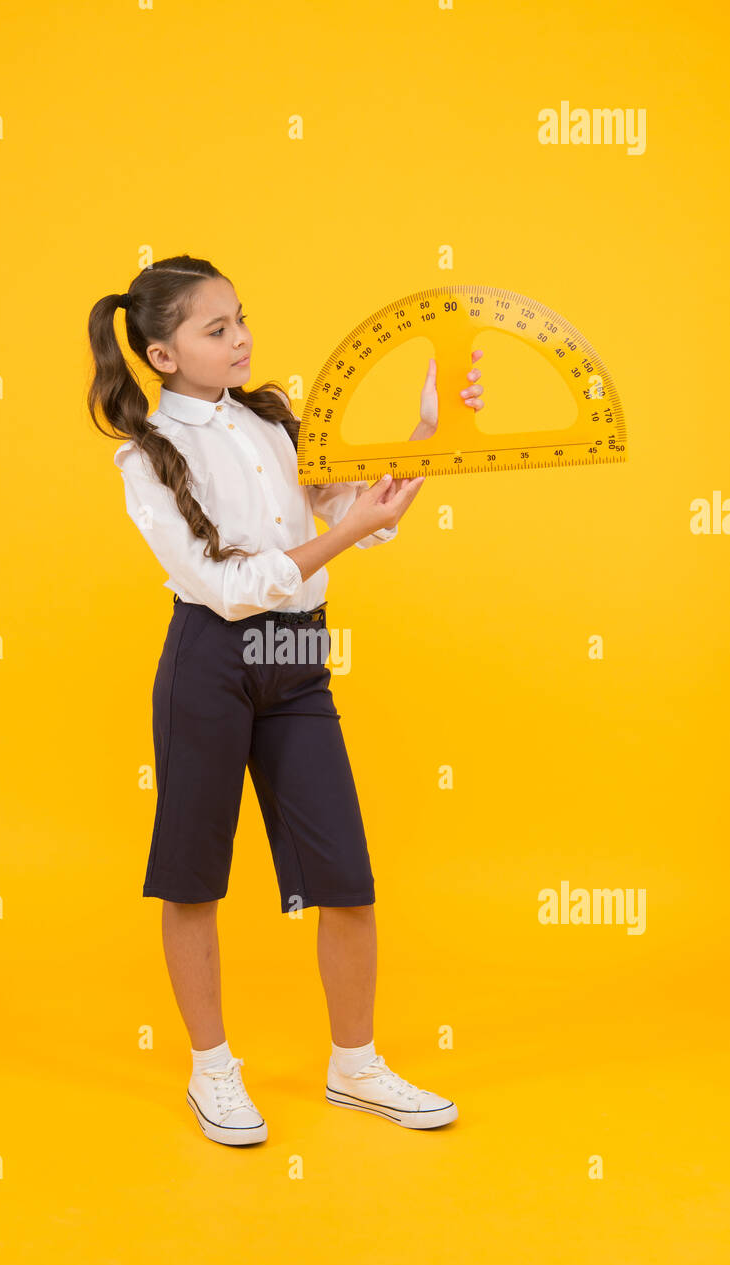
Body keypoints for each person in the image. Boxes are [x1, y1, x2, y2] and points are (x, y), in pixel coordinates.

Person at [86, 254, 483, 1146]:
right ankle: (212, 1071)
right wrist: (345, 533)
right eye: (215, 328)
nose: (241, 339)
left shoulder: (272, 419)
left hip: (298, 656)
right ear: (161, 354)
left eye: (241, 320)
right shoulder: (146, 456)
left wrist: (428, 428)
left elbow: (354, 507)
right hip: (211, 660)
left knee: (346, 873)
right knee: (192, 874)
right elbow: (228, 587)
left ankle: (355, 1066)